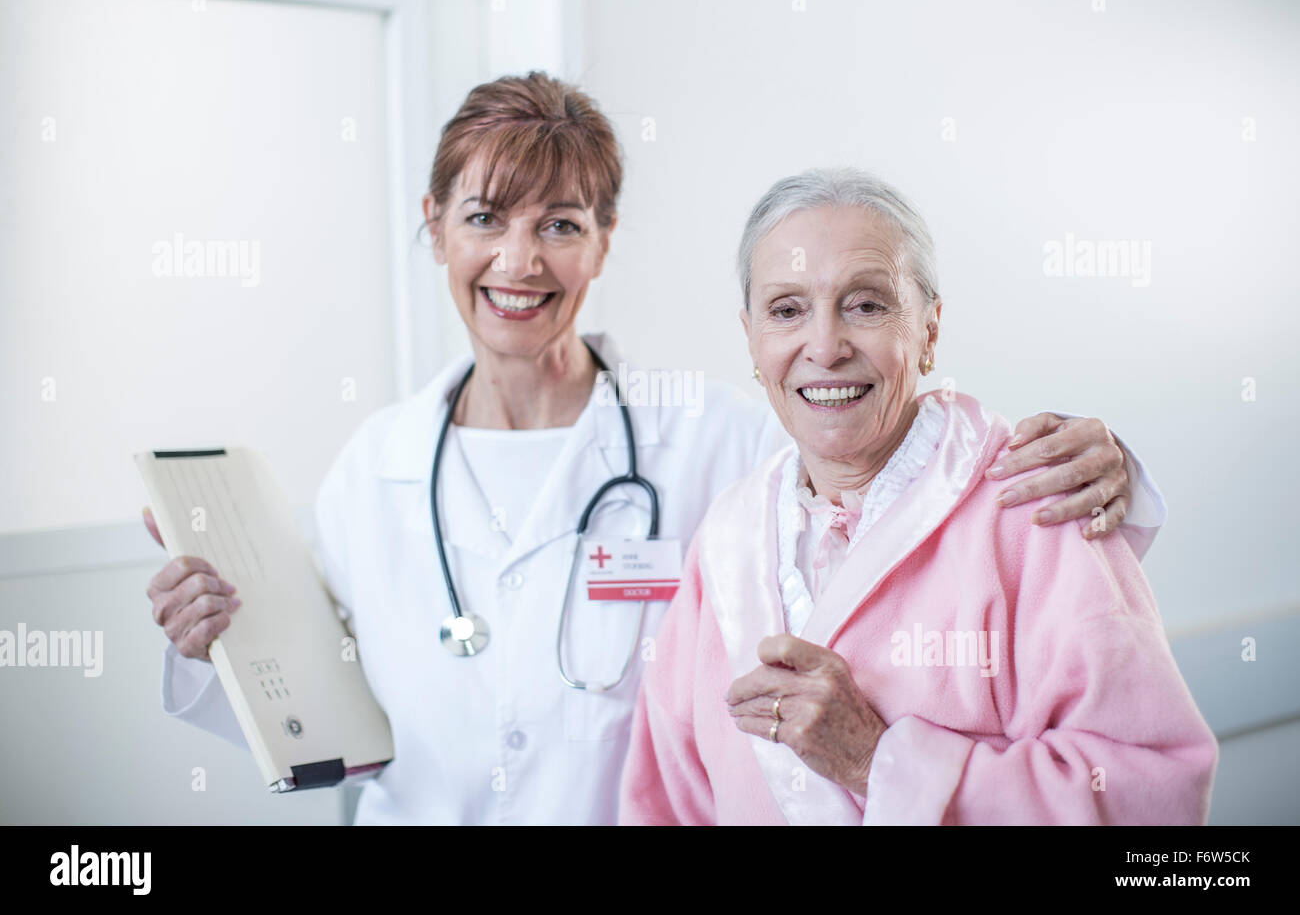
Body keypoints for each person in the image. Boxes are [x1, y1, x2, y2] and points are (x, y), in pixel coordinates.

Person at [143, 73, 1163, 825]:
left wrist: (1105, 462)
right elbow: (318, 711)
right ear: (435, 227)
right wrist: (213, 633)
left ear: (604, 239)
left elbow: (893, 479)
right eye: (484, 217)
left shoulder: (710, 435)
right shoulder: (374, 465)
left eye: (561, 222)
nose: (518, 259)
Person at [618, 168, 1216, 825]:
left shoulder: (1034, 507)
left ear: (929, 330)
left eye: (866, 305)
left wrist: (879, 763)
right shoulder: (727, 541)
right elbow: (664, 802)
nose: (824, 346)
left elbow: (1154, 797)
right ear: (752, 337)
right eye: (787, 310)